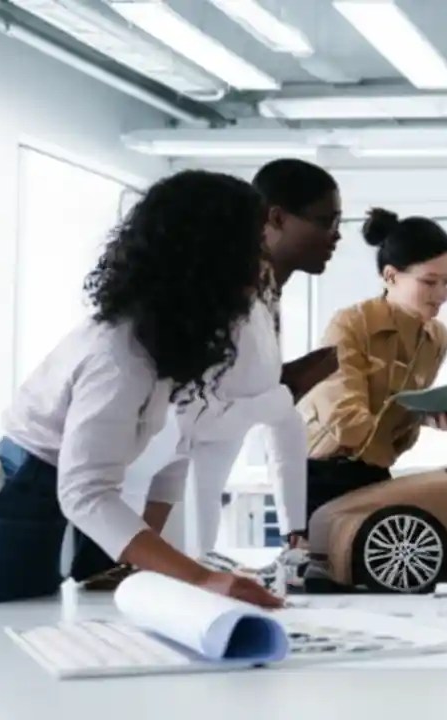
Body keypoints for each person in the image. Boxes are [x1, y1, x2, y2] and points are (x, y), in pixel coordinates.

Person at [0, 170, 281, 609]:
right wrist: (200, 577)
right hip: (19, 496)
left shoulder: (165, 340)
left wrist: (161, 565)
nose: (261, 264)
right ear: (212, 257)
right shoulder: (119, 356)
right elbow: (85, 492)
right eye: (252, 247)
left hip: (46, 491)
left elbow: (175, 448)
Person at [77, 159, 344, 588]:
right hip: (121, 501)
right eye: (326, 221)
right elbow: (196, 416)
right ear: (271, 221)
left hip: (160, 492)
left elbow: (217, 418)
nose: (336, 236)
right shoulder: (176, 324)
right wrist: (288, 389)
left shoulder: (259, 300)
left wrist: (293, 535)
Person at [298, 209, 447, 523]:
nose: (443, 295)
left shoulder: (436, 337)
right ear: (390, 276)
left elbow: (395, 429)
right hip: (320, 474)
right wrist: (428, 403)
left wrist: (432, 414)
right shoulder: (351, 323)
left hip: (374, 472)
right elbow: (348, 425)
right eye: (429, 282)